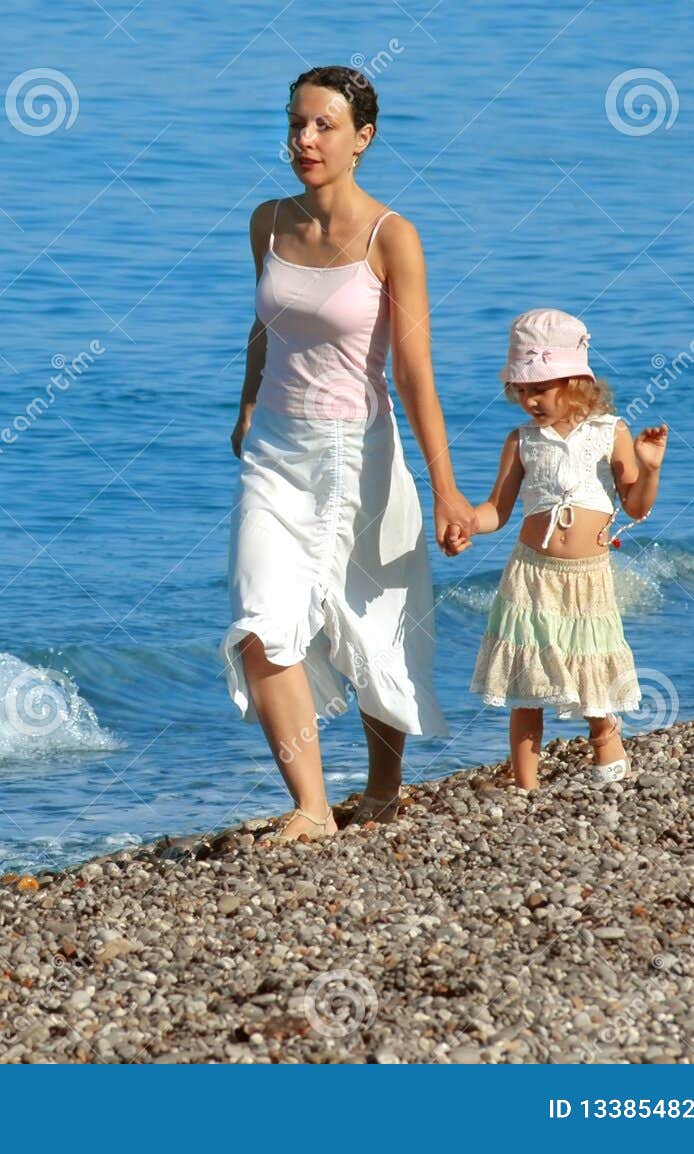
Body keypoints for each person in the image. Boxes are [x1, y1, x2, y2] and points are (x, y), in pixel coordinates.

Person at [224, 65, 478, 842]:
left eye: (323, 126)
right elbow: (265, 326)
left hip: (356, 455)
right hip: (273, 452)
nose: (304, 139)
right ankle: (309, 805)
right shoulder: (268, 221)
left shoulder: (391, 237)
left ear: (362, 139)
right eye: (296, 122)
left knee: (373, 625)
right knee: (260, 621)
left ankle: (381, 786)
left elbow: (412, 373)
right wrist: (243, 407)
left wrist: (447, 490)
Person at [466, 308, 668, 790]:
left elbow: (636, 507)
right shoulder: (521, 441)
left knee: (592, 674)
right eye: (522, 389)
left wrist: (649, 467)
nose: (530, 399)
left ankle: (607, 751)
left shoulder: (609, 432)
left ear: (577, 382)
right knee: (526, 682)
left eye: (541, 388)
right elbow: (498, 508)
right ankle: (526, 785)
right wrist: (467, 522)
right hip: (531, 574)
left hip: (587, 578)